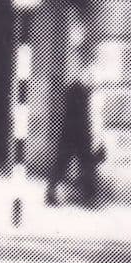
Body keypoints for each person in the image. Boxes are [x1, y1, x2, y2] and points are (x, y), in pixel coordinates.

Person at [46, 12, 103, 207]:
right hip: (77, 115)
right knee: (81, 158)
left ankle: (81, 195)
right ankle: (86, 197)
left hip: (76, 116)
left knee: (75, 158)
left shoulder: (81, 59)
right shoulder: (78, 63)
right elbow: (82, 81)